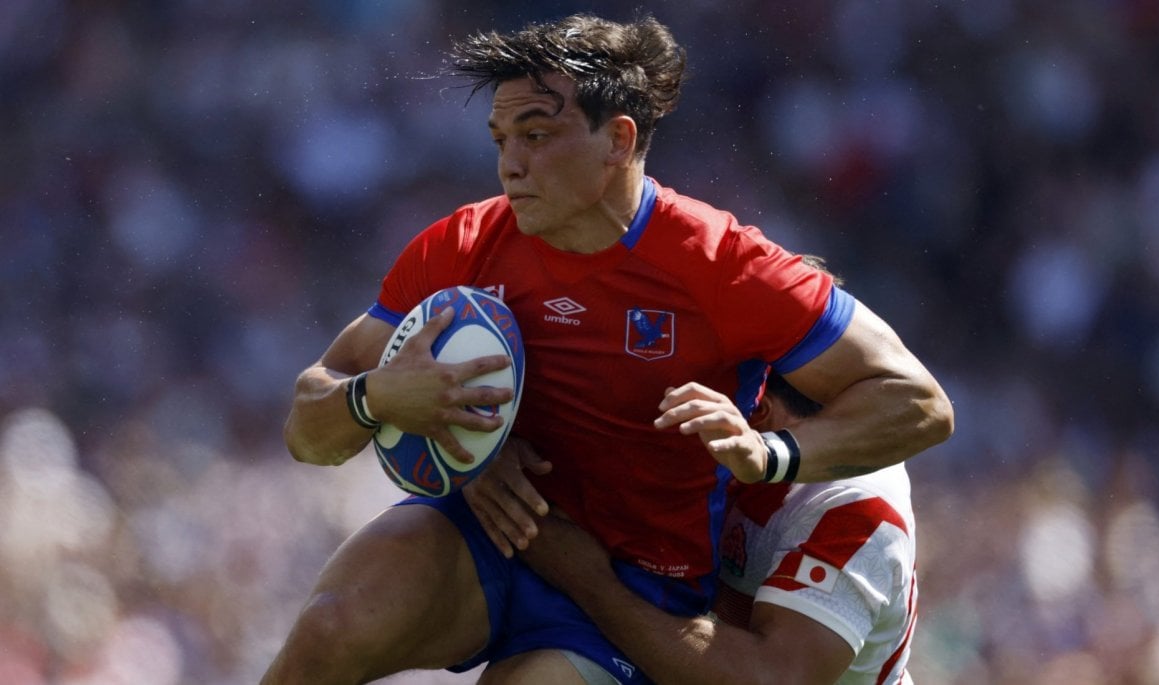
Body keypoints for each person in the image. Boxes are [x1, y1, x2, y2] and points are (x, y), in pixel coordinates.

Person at [262, 13, 952, 685]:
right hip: (486, 534)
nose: (510, 164)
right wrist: (376, 397)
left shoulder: (725, 264)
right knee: (330, 628)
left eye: (536, 134)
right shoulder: (463, 245)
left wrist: (773, 455)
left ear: (618, 139)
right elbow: (308, 432)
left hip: (636, 593)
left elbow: (919, 403)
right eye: (500, 138)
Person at [520, 372, 918, 684]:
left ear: (757, 408)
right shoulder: (736, 438)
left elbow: (772, 679)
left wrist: (588, 581)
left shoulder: (855, 509)